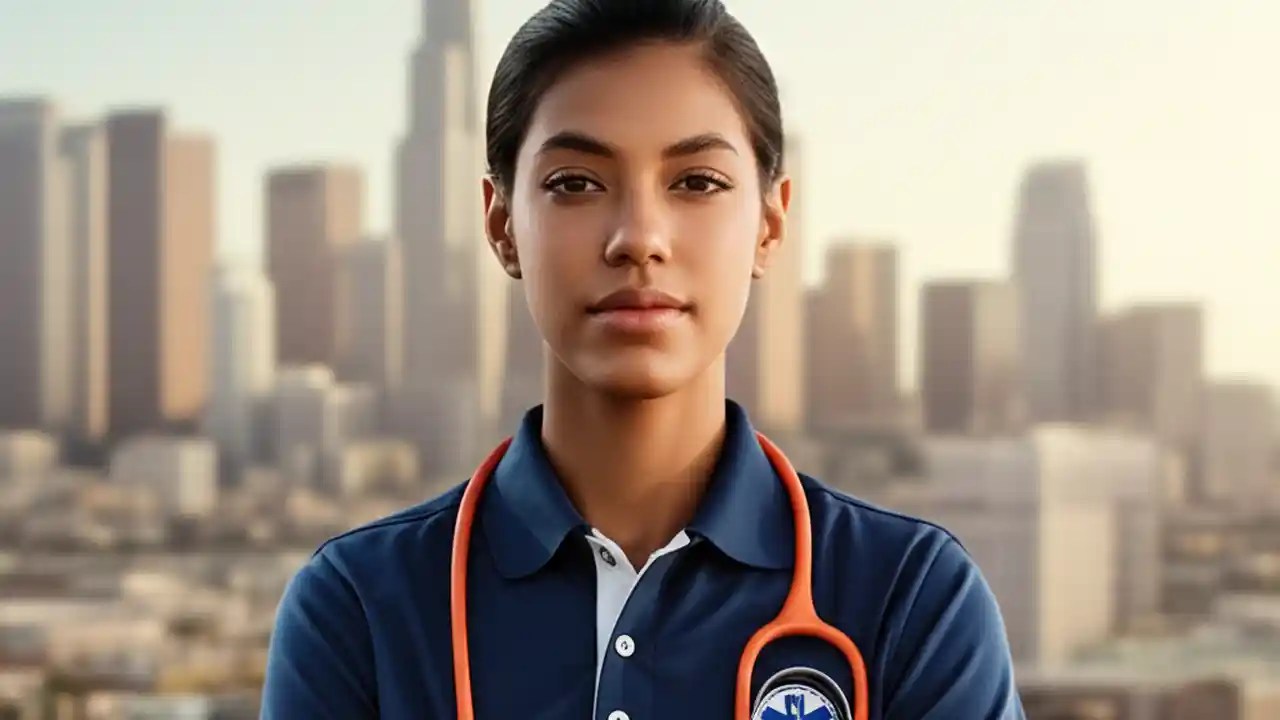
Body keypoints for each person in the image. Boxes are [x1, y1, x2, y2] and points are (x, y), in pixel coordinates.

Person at [261, 0, 1026, 717]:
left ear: (769, 225)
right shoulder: (359, 608)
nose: (639, 238)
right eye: (574, 183)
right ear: (501, 226)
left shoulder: (909, 598)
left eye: (697, 182)